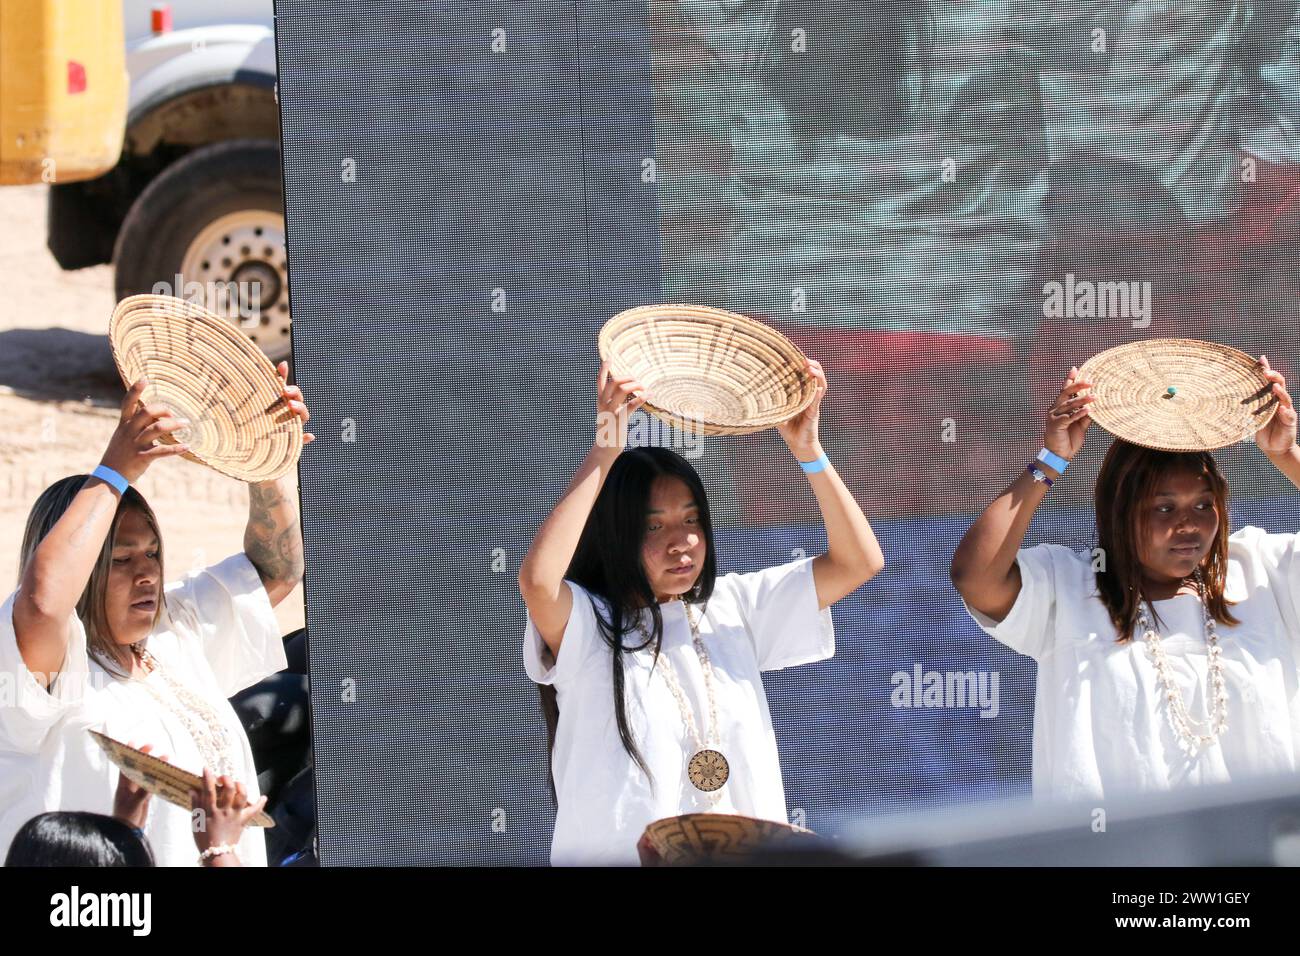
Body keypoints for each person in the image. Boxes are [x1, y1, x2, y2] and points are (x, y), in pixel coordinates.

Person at [518, 358, 884, 865]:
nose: (682, 542)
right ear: (616, 535)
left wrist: (810, 452)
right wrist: (607, 446)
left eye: (692, 520)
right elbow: (537, 581)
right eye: (654, 527)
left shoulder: (733, 607)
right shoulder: (588, 623)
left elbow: (859, 561)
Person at [0, 364, 313, 865]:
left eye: (151, 553)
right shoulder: (40, 665)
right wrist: (118, 468)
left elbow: (277, 569)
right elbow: (41, 601)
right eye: (121, 559)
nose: (146, 573)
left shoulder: (174, 630)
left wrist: (266, 462)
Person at [950, 356, 1300, 802]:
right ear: (1121, 510)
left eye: (1203, 504)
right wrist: (1051, 459)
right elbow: (973, 575)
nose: (1189, 525)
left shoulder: (1262, 571)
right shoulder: (1071, 586)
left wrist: (1286, 454)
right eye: (1164, 508)